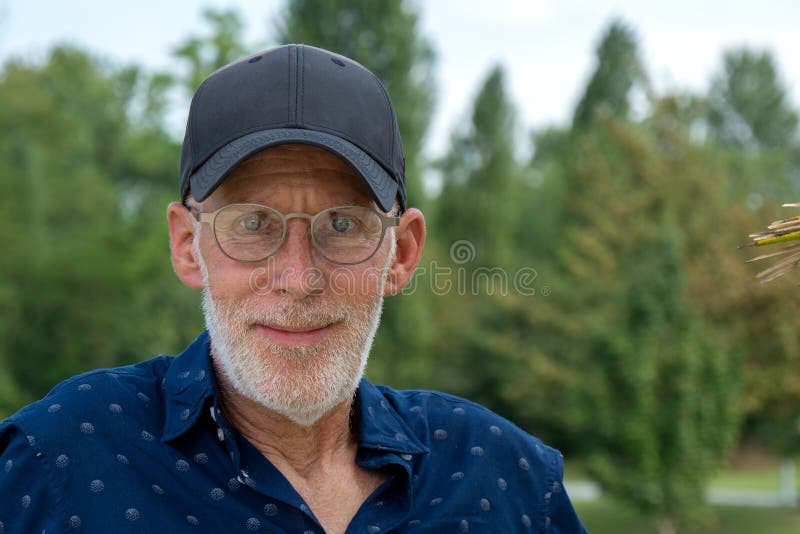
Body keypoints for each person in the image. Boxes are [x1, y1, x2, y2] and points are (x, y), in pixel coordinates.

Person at [0, 44, 586, 533]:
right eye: (252, 225)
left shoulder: (510, 480)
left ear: (401, 254)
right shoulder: (58, 459)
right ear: (187, 245)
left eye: (343, 225)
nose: (298, 278)